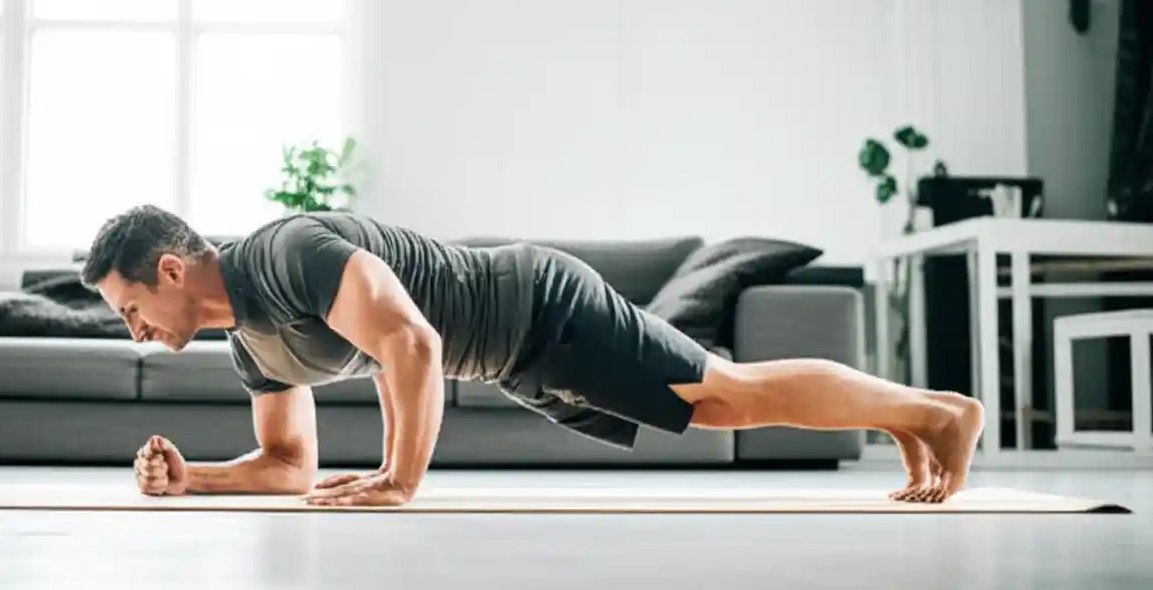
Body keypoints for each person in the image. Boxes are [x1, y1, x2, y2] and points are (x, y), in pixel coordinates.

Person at [81, 205, 983, 508]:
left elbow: (411, 341)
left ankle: (940, 411)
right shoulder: (249, 343)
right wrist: (194, 478)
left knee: (723, 398)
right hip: (519, 361)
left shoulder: (286, 254)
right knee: (717, 400)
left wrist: (399, 476)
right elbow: (288, 464)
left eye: (131, 310)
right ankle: (913, 415)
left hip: (538, 306)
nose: (137, 332)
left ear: (168, 270)